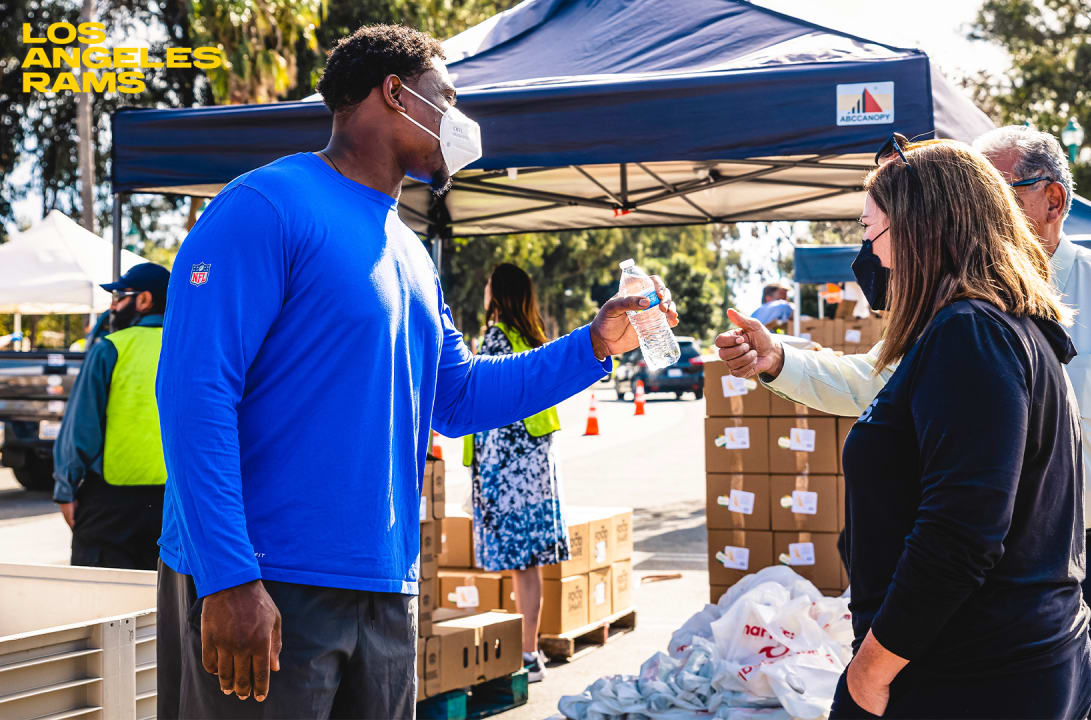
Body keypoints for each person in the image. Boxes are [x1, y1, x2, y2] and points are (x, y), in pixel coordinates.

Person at [153, 25, 677, 719]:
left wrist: (593, 345)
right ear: (395, 94)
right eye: (448, 97)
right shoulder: (267, 206)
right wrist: (228, 577)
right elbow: (194, 394)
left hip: (382, 587)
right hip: (265, 584)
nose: (460, 121)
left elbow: (458, 397)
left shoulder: (411, 254)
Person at [721, 127, 1091, 719]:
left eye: (998, 188)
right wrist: (780, 360)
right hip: (1029, 581)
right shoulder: (975, 316)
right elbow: (873, 381)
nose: (872, 250)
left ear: (1052, 200)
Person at [730, 138, 1091, 717]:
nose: (869, 252)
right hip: (999, 658)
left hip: (968, 671)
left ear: (922, 231)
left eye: (871, 230)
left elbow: (960, 535)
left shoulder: (970, 335)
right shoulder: (996, 327)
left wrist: (871, 673)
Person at [467, 263, 566, 682]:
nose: (485, 289)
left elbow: (479, 398)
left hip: (507, 467)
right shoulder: (530, 337)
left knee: (519, 563)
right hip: (534, 467)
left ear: (499, 293)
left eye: (489, 284)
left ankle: (525, 656)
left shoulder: (496, 337)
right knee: (530, 564)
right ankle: (530, 651)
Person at [52, 262, 171, 570]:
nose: (113, 306)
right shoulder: (189, 348)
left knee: (102, 602)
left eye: (119, 297)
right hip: (174, 505)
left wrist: (65, 489)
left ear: (144, 300)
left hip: (109, 505)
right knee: (161, 609)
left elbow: (81, 428)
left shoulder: (110, 349)